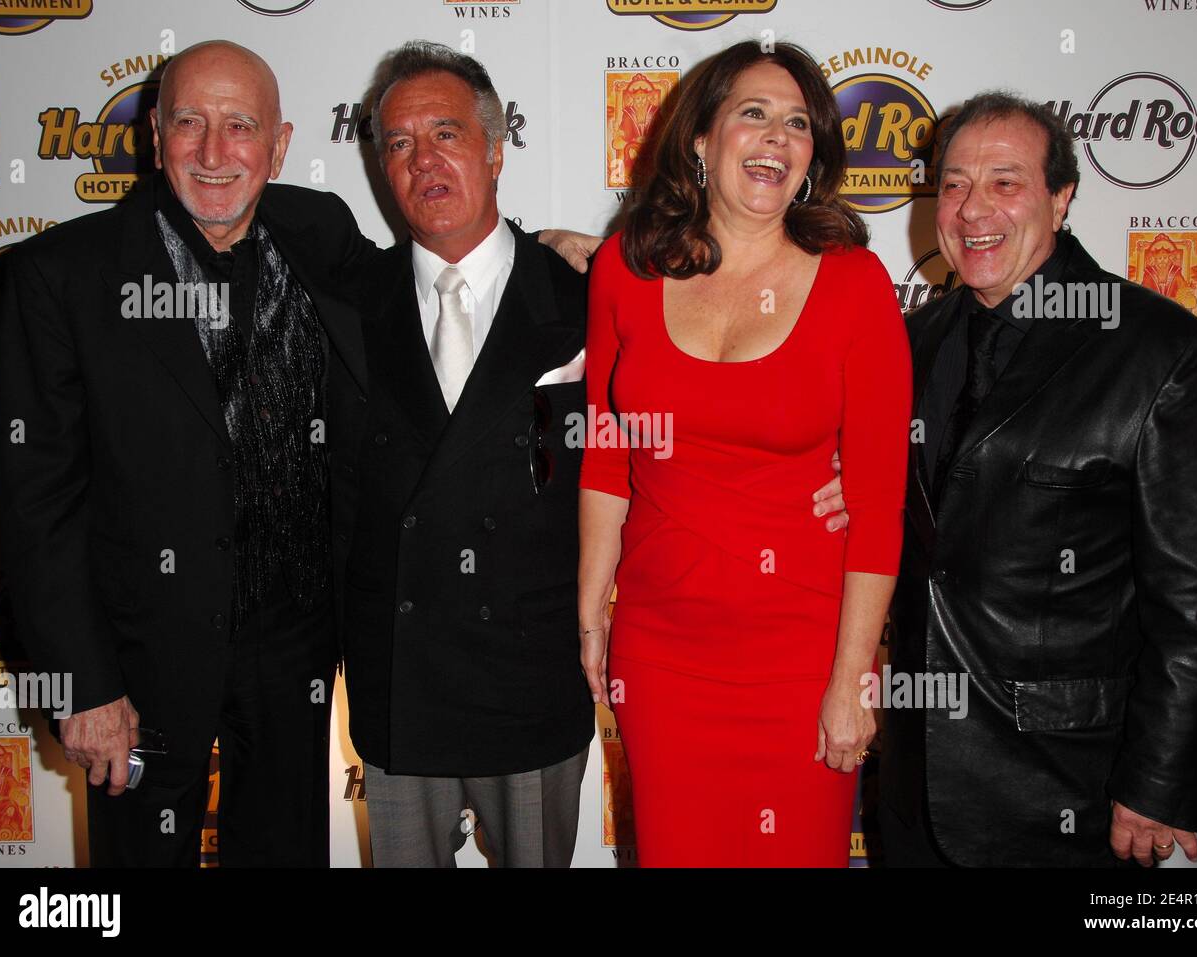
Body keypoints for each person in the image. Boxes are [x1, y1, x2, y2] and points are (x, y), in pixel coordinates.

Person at [0, 37, 596, 868]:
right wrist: (83, 683)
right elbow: (34, 503)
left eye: (240, 125)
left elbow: (456, 264)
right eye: (189, 124)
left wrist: (551, 246)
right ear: (154, 135)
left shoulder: (320, 234)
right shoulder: (61, 277)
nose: (213, 153)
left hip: (293, 656)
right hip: (140, 660)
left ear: (278, 145)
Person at [335, 41, 850, 868]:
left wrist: (839, 470)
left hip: (536, 672)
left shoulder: (592, 283)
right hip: (401, 680)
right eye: (397, 143)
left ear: (497, 150)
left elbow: (676, 431)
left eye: (448, 134)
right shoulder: (347, 301)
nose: (423, 160)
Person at [881, 91, 1197, 867]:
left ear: (1061, 197)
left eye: (1006, 182)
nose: (973, 208)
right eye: (953, 184)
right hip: (912, 788)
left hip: (1068, 795)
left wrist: (1160, 781)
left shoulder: (1162, 353)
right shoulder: (906, 342)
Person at [578, 40, 912, 867]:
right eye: (753, 113)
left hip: (803, 656)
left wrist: (851, 677)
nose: (777, 137)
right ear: (700, 139)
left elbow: (876, 503)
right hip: (661, 652)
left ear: (812, 157)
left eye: (798, 123)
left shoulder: (855, 283)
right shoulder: (628, 266)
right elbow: (607, 450)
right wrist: (591, 607)